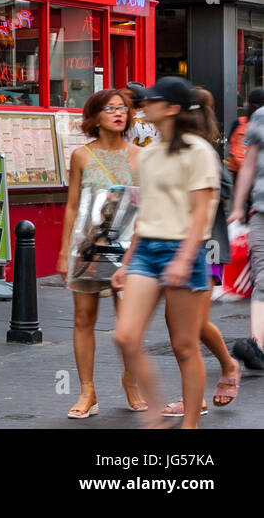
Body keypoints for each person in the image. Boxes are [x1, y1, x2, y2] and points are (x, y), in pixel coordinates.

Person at [112, 77, 220, 429]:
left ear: (172, 108)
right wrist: (126, 262)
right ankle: (156, 411)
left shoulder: (198, 151)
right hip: (147, 250)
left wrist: (183, 259)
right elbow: (146, 213)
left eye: (151, 100)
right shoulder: (149, 154)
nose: (143, 106)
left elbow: (201, 212)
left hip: (182, 249)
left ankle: (190, 424)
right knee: (125, 336)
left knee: (185, 346)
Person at [56, 89, 147, 418]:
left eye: (123, 109)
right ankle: (87, 391)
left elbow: (147, 206)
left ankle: (131, 381)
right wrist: (65, 250)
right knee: (83, 319)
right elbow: (71, 207)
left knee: (129, 323)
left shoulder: (140, 155)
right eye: (110, 109)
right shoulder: (81, 156)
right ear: (94, 118)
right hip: (89, 246)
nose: (119, 114)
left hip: (129, 248)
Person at [160, 87, 238, 415]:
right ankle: (205, 388)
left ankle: (224, 371)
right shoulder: (176, 149)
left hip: (207, 246)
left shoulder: (202, 150)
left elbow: (223, 193)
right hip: (182, 245)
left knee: (190, 325)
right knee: (182, 325)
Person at [229, 86, 264, 372]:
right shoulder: (261, 118)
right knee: (261, 276)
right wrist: (239, 206)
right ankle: (257, 346)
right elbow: (249, 166)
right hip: (261, 212)